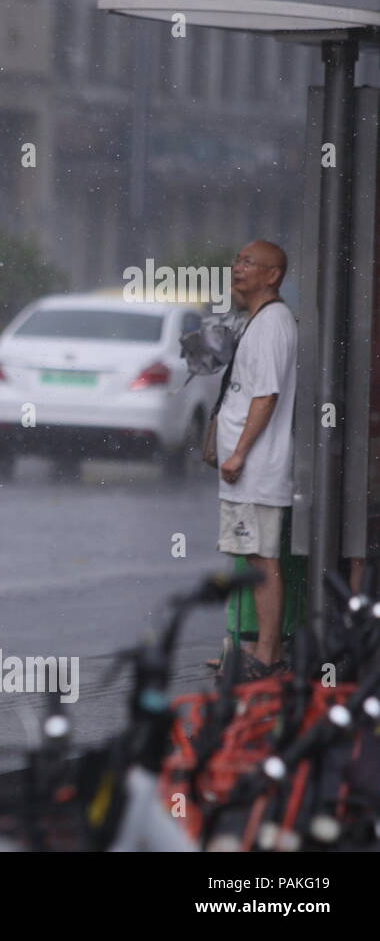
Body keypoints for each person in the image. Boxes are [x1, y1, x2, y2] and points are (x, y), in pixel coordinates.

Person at [216, 240, 296, 680]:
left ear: (273, 275)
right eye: (237, 259)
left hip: (256, 468)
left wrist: (240, 453)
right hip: (246, 469)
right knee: (252, 557)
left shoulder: (271, 324)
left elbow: (266, 396)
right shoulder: (258, 321)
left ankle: (268, 656)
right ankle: (259, 651)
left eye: (249, 262)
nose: (237, 267)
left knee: (263, 561)